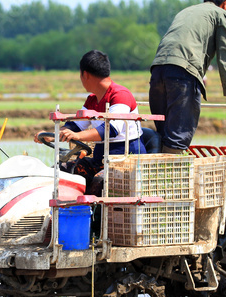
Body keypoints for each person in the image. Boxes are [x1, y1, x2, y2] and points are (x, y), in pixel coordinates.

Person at [148, 0, 226, 154]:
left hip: (158, 71)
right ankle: (169, 178)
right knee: (177, 136)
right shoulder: (221, 15)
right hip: (182, 73)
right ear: (225, 4)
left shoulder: (186, 11)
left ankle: (151, 175)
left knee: (163, 132)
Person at [35, 50, 146, 193]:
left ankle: (95, 215)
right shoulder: (92, 99)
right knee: (63, 170)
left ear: (85, 74)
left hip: (125, 161)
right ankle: (66, 213)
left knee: (98, 181)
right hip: (100, 160)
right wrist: (52, 134)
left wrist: (78, 136)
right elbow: (76, 125)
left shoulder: (120, 95)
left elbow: (111, 130)